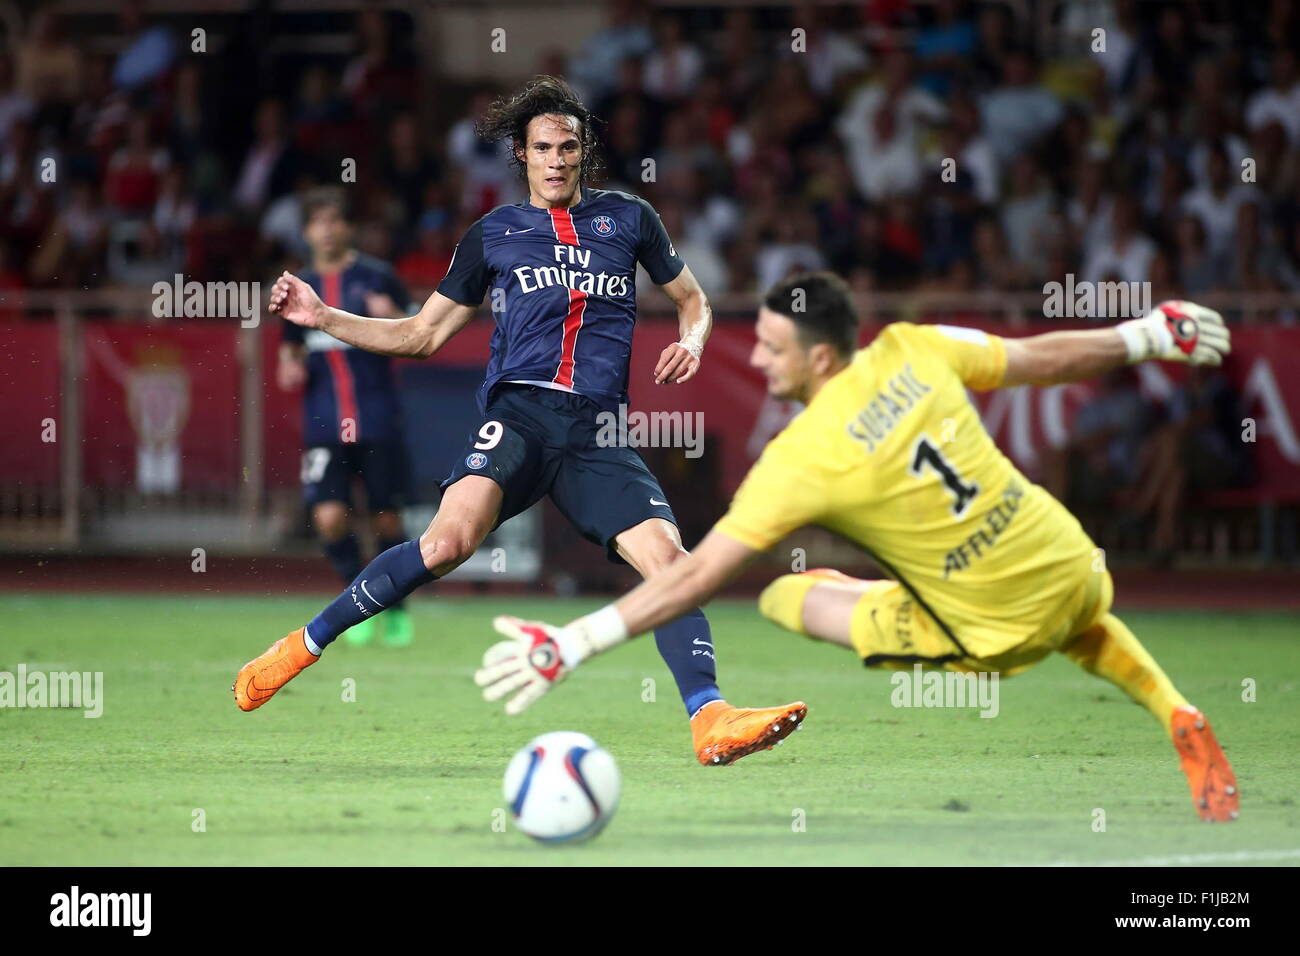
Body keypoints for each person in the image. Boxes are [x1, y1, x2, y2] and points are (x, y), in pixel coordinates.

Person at [476, 274, 1239, 823]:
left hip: (991, 627)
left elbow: (695, 576)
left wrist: (576, 640)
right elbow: (1043, 360)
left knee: (788, 596)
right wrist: (1149, 333)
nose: (758, 360)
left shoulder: (800, 460)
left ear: (818, 358)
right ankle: (1178, 709)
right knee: (1073, 616)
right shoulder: (915, 346)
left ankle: (887, 602)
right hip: (1070, 561)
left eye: (773, 347)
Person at [236, 77, 805, 766]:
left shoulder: (629, 220)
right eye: (543, 148)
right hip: (520, 417)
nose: (557, 160)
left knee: (673, 565)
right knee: (445, 545)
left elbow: (693, 300)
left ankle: (710, 718)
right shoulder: (494, 234)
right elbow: (421, 335)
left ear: (584, 151)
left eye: (569, 147)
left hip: (596, 431)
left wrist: (692, 340)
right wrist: (325, 318)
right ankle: (302, 645)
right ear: (522, 154)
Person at [278, 188, 416, 646]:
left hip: (377, 420)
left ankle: (395, 606)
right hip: (323, 425)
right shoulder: (297, 288)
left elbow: (417, 334)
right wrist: (290, 365)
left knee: (386, 521)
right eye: (318, 222)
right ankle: (358, 601)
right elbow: (288, 352)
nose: (328, 229)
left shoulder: (378, 277)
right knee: (330, 518)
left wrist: (392, 316)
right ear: (305, 232)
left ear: (349, 227)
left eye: (336, 220)